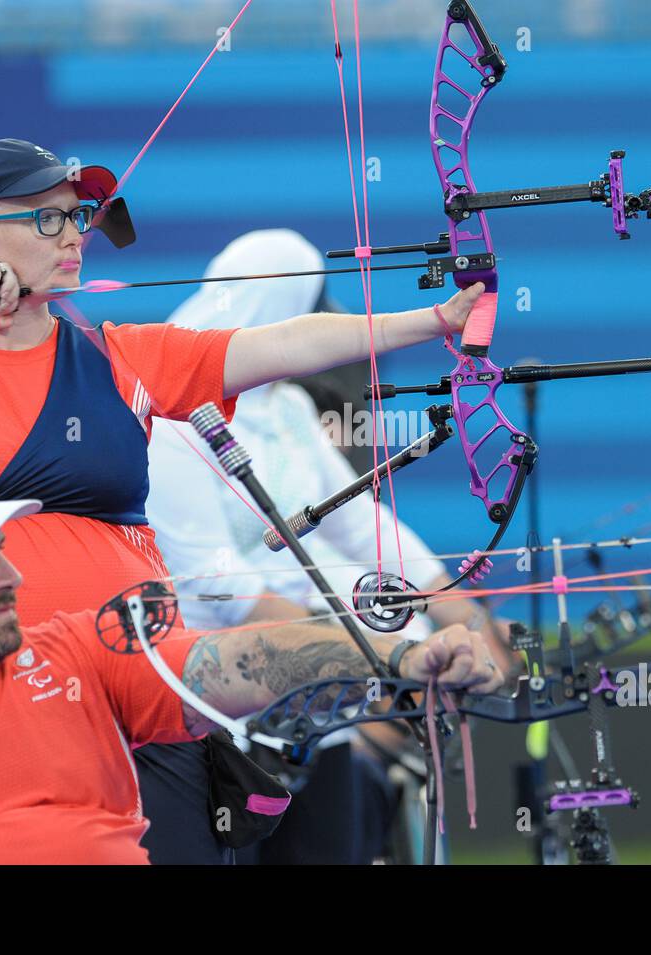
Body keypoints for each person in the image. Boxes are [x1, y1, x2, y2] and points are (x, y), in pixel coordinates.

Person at [0, 138, 485, 862]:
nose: (75, 235)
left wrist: (429, 322)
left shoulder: (121, 355)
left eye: (78, 217)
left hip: (144, 685)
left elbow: (282, 342)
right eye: (47, 217)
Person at [0, 460, 504, 864]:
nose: (11, 575)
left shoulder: (75, 648)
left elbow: (235, 661)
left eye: (2, 545)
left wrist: (400, 653)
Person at [147, 230, 511, 863]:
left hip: (324, 695)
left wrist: (461, 610)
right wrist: (384, 656)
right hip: (226, 706)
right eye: (314, 303)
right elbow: (215, 587)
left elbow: (359, 522)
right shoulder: (168, 417)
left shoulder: (286, 406)